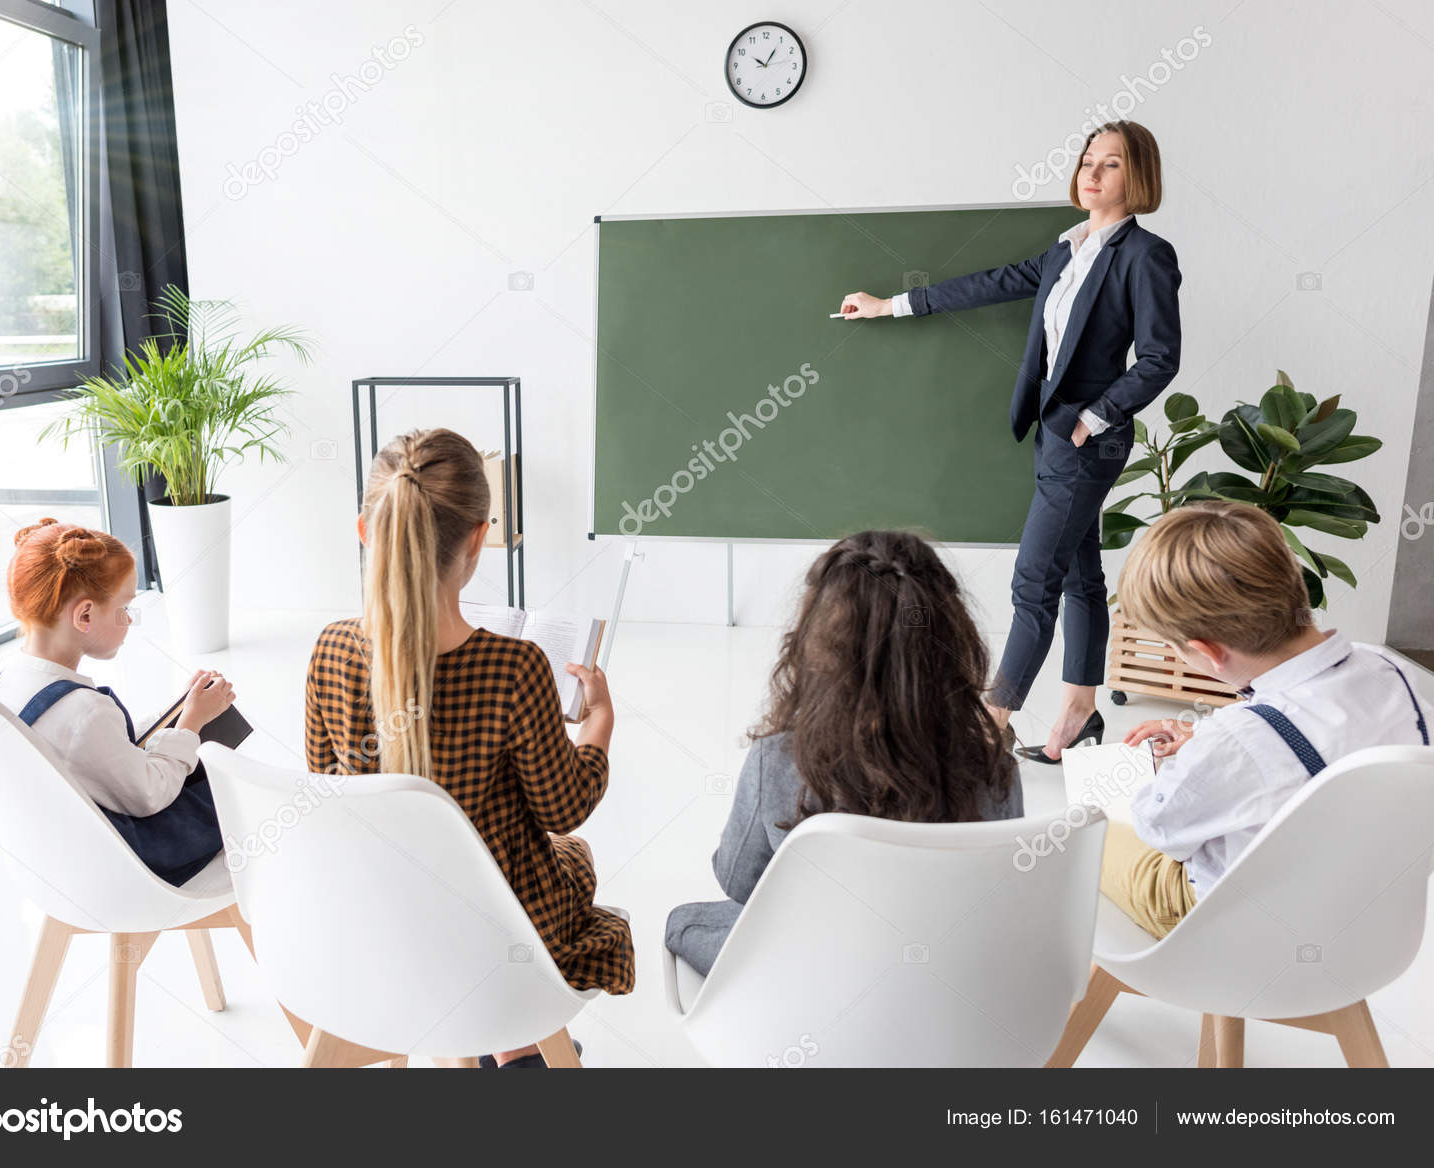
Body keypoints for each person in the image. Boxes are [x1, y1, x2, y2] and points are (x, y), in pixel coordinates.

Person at [839, 121, 1182, 762]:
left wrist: (1095, 418)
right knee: (1079, 576)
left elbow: (1161, 358)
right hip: (1054, 436)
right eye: (1087, 160)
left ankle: (991, 721)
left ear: (1136, 177)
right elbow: (989, 284)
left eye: (1110, 164)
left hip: (1088, 440)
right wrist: (892, 306)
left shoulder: (1145, 255)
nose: (1092, 173)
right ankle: (1079, 715)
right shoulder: (1065, 251)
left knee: (1033, 579)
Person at [304, 427, 632, 1067]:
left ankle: (501, 1045)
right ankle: (517, 1048)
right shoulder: (516, 667)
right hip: (496, 936)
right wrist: (599, 724)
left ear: (367, 531)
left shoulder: (330, 648)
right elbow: (561, 809)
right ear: (480, 538)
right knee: (573, 857)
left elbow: (325, 788)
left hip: (376, 913)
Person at [665, 529, 1023, 976]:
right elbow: (999, 891)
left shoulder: (777, 760)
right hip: (946, 979)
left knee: (682, 923)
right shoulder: (993, 767)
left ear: (817, 644)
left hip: (816, 971)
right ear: (951, 638)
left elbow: (738, 883)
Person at [1106, 502, 1429, 938]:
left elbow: (1163, 832)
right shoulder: (1395, 671)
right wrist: (1214, 744)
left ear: (1209, 653)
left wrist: (1180, 764)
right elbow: (1326, 741)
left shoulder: (1237, 737)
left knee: (1093, 834)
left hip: (1246, 930)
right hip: (1371, 918)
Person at [0, 518, 231, 886]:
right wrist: (191, 724)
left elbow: (101, 752)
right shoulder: (84, 712)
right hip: (123, 870)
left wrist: (179, 711)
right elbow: (150, 793)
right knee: (234, 790)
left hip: (53, 858)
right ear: (84, 615)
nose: (130, 620)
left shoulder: (6, 683)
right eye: (125, 608)